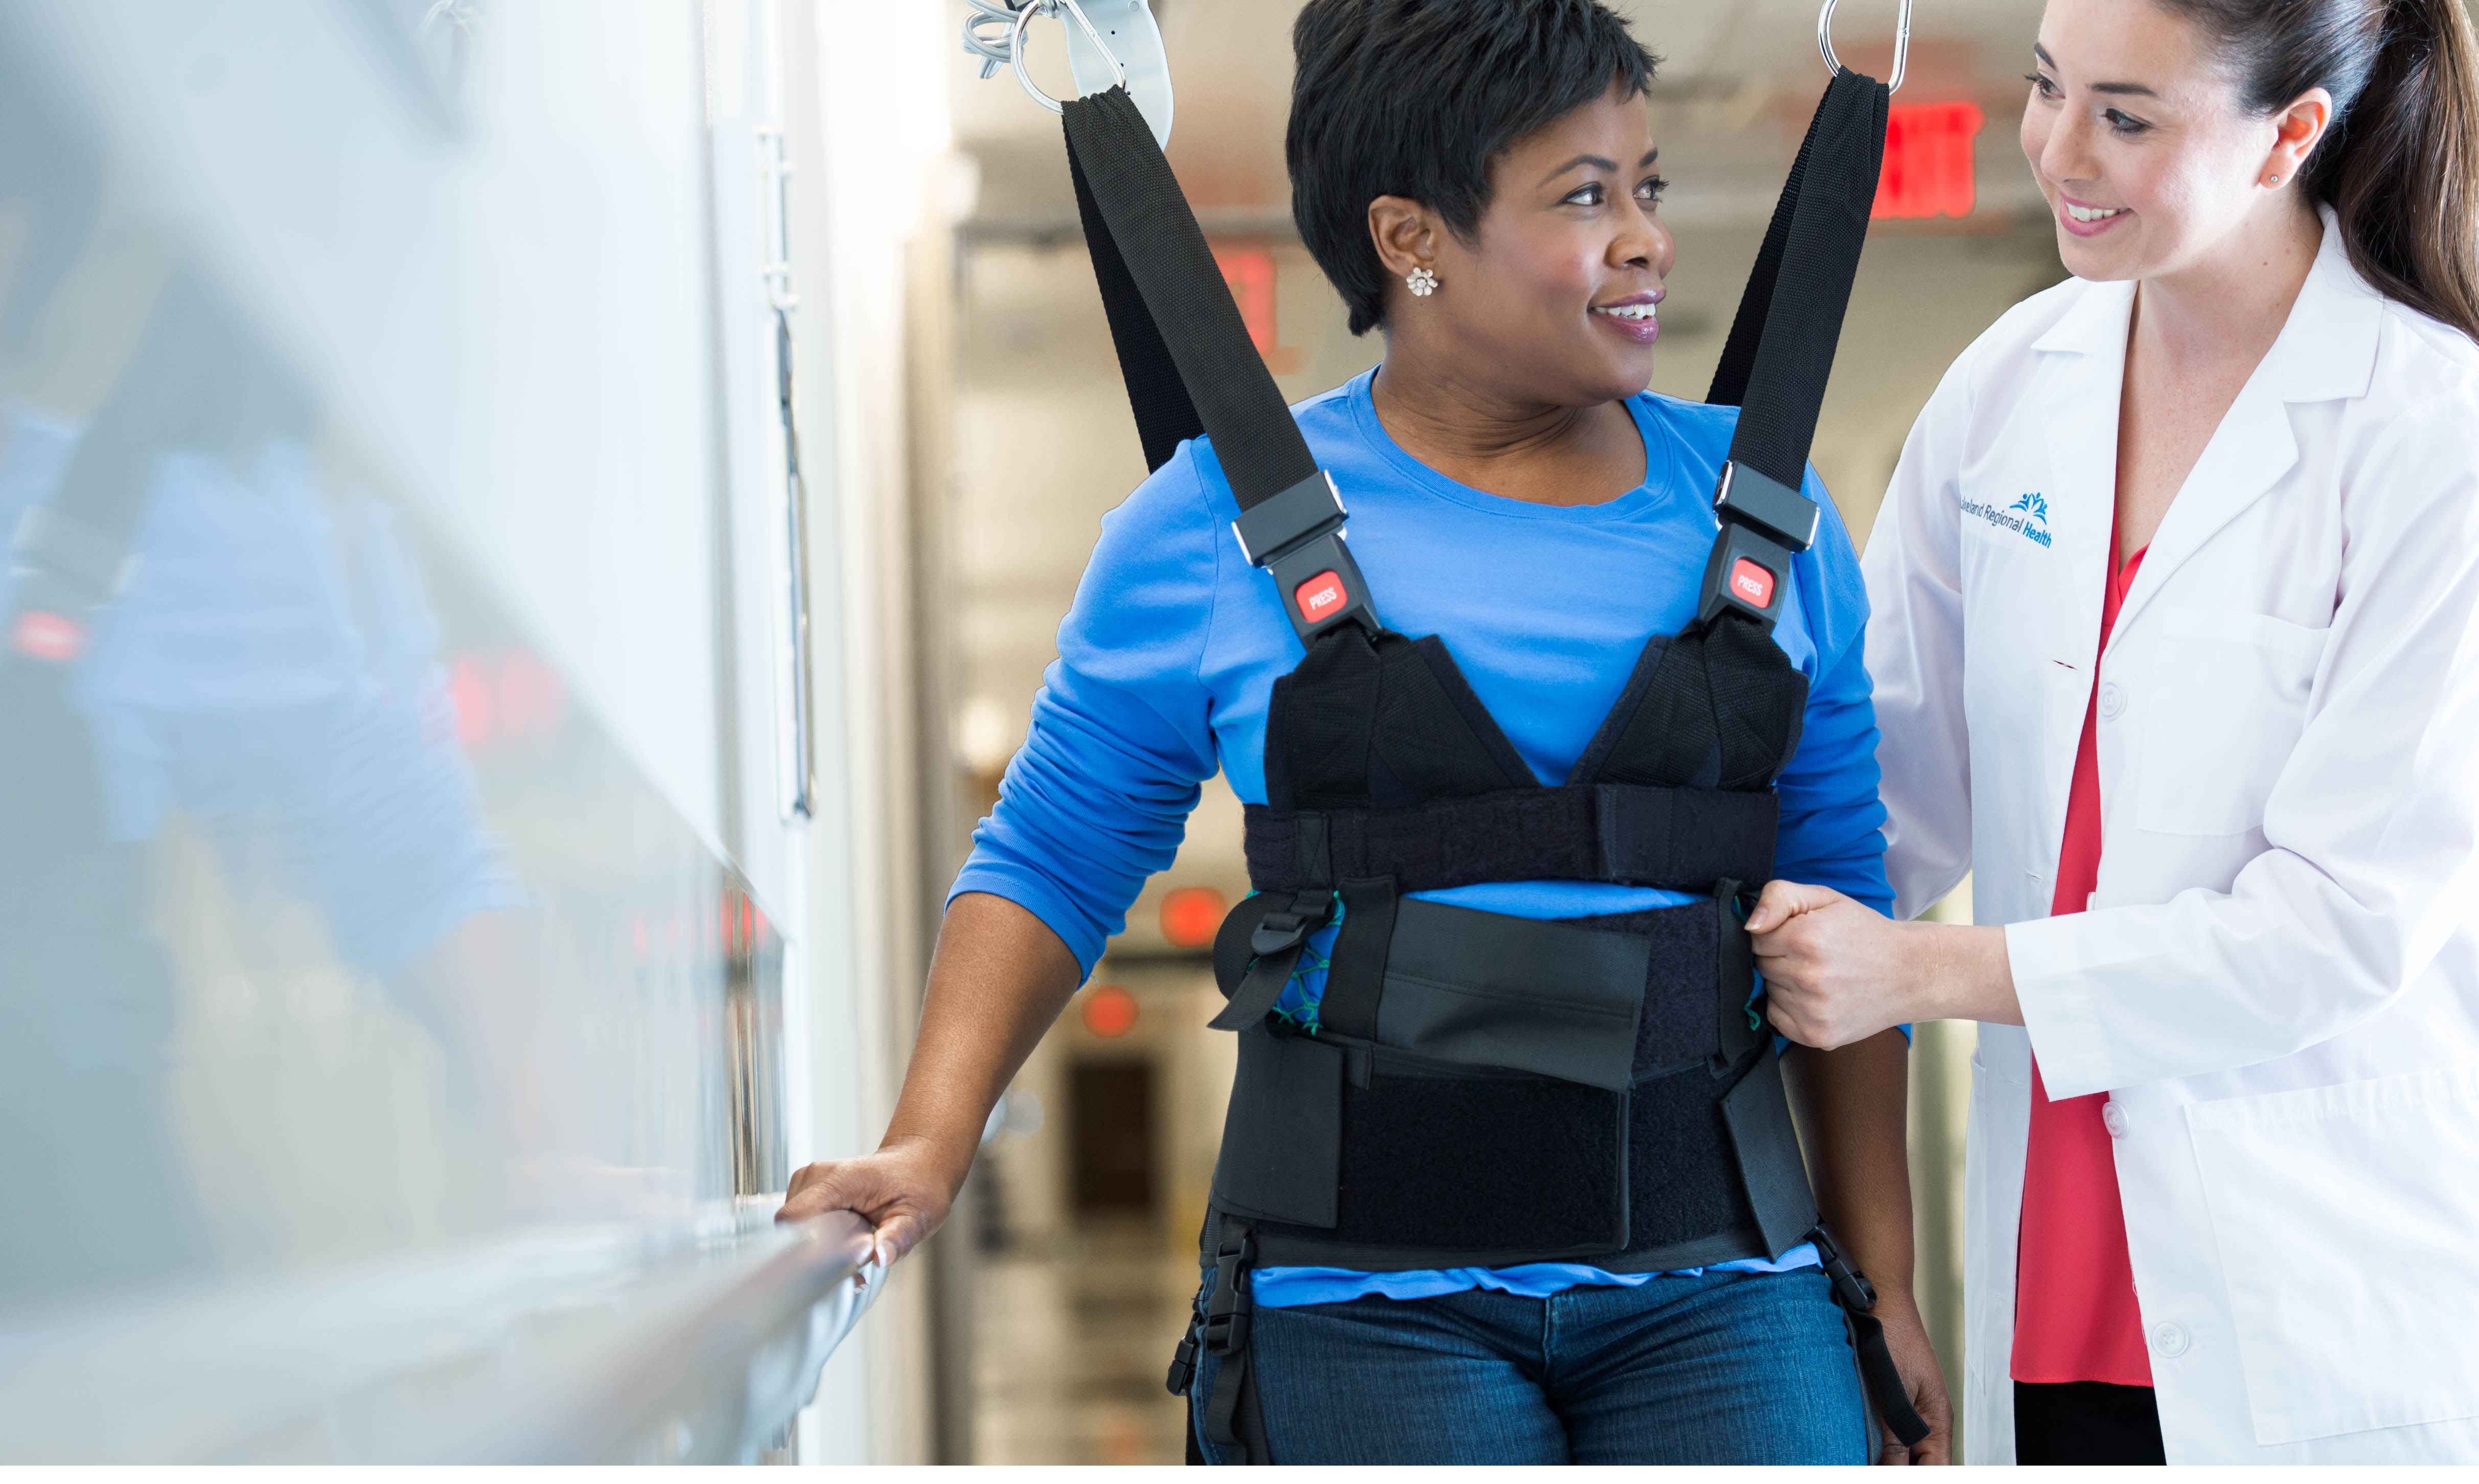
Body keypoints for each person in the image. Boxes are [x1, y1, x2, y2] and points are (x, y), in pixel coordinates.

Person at [781, 0, 1949, 1465]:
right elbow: (1054, 855)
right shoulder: (1206, 527)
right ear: (1412, 239)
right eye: (1583, 196)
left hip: (1724, 1290)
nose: (1646, 236)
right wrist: (931, 1137)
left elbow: (1844, 899)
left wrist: (1882, 1282)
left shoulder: (1764, 516)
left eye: (1645, 186)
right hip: (1362, 1306)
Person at [1744, 0, 2479, 1464]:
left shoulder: (2430, 432)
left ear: (2289, 136)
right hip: (2046, 1284)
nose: (2056, 154)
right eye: (2042, 88)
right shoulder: (2011, 384)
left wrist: (1916, 972)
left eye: (2124, 116)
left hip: (2318, 1293)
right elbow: (1872, 804)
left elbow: (2334, 929)